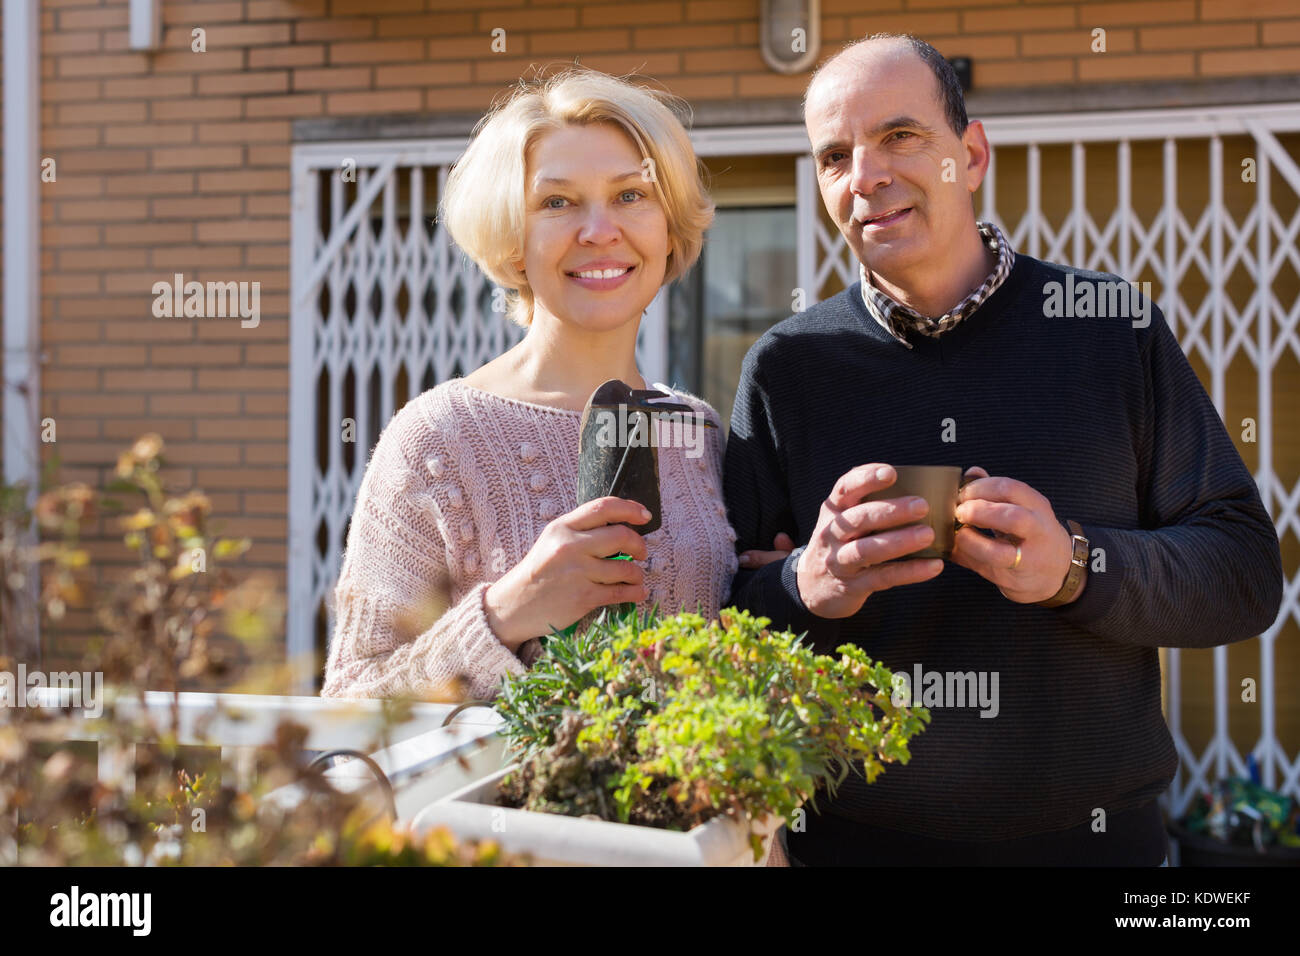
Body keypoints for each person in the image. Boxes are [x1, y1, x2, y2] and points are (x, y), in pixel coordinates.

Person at [724, 34, 1284, 866]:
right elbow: (724, 615)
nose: (865, 175)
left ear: (972, 154)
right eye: (834, 155)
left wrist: (1075, 567)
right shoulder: (787, 367)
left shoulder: (1107, 328)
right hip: (848, 850)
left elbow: (1244, 577)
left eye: (900, 136)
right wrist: (808, 583)